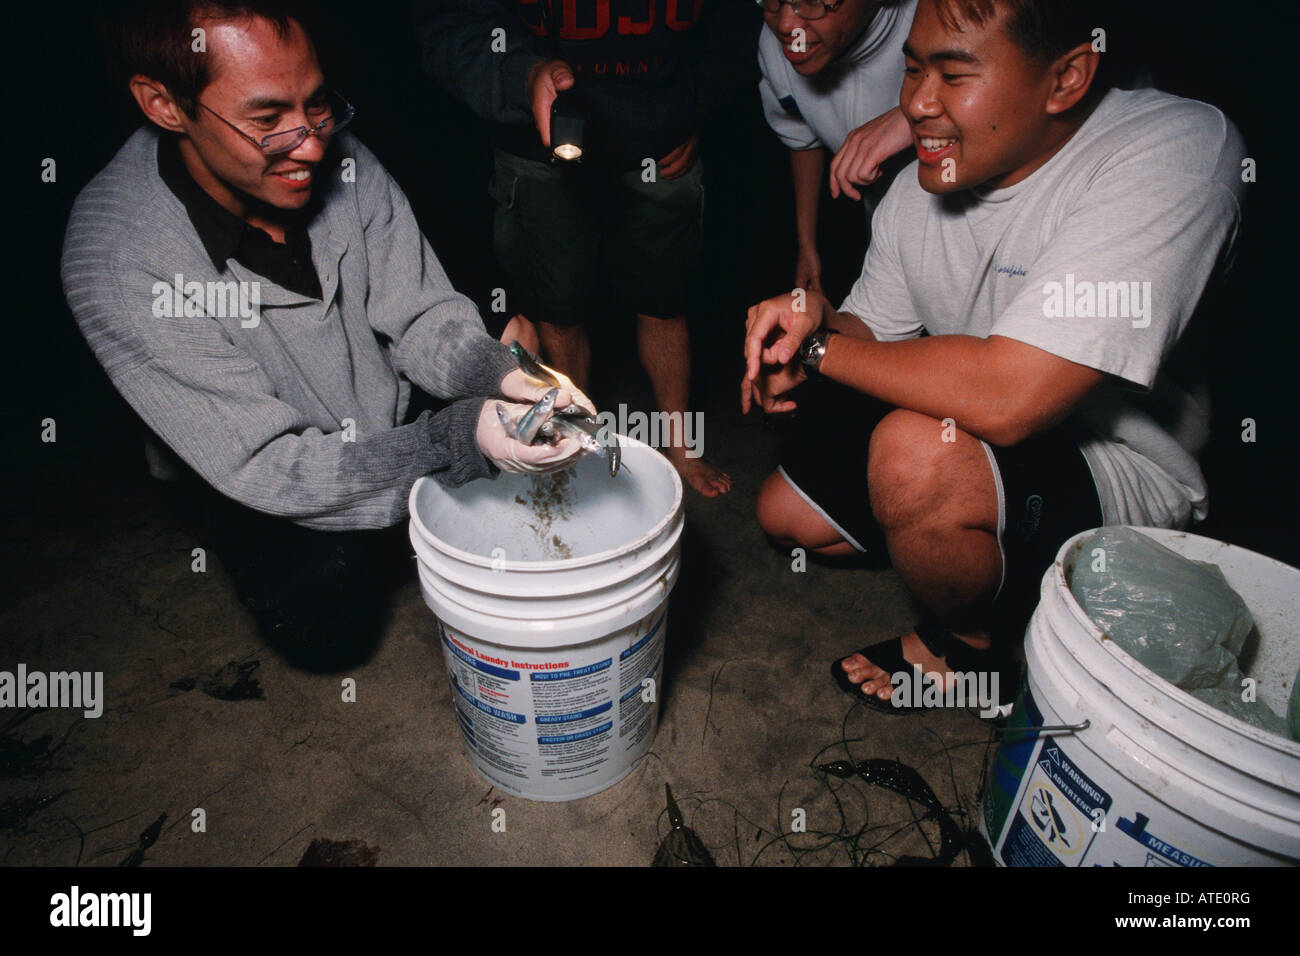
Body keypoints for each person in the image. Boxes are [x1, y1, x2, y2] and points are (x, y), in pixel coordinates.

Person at [742, 0, 1246, 711]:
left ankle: (972, 648)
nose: (915, 103)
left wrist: (823, 351)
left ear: (1067, 77)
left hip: (1117, 468)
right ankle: (961, 544)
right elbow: (868, 336)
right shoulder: (926, 182)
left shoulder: (1176, 146)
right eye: (913, 68)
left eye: (953, 74)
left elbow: (1012, 396)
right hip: (972, 425)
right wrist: (810, 330)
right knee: (786, 516)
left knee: (913, 458)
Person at [62, 0, 589, 665]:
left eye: (315, 104)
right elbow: (270, 464)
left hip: (376, 406)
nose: (312, 145)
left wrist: (500, 373)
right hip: (259, 464)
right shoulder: (117, 258)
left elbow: (421, 313)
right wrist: (453, 439)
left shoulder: (339, 158)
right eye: (266, 118)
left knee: (520, 446)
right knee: (328, 616)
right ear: (164, 105)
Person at [413, 0, 763, 497]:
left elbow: (737, 27)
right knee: (559, 311)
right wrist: (521, 71)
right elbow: (453, 25)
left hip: (657, 138)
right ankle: (573, 449)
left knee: (664, 300)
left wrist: (693, 111)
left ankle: (681, 448)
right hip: (536, 138)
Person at [758, 0, 918, 294]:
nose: (785, 26)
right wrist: (807, 243)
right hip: (882, 217)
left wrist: (910, 119)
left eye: (811, 1)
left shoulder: (934, 16)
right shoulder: (776, 49)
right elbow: (801, 136)